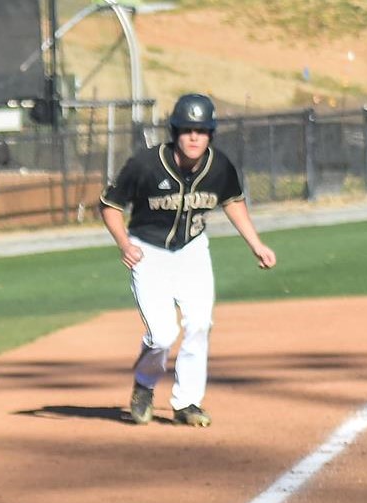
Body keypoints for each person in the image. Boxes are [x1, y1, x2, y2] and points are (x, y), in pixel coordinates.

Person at [100, 93, 276, 428]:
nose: (194, 137)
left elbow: (232, 200)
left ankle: (187, 402)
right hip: (148, 252)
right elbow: (110, 205)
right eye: (187, 130)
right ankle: (144, 384)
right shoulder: (146, 164)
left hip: (192, 250)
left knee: (199, 324)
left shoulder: (219, 166)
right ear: (175, 132)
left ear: (211, 134)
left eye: (202, 130)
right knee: (161, 335)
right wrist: (124, 243)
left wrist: (255, 243)